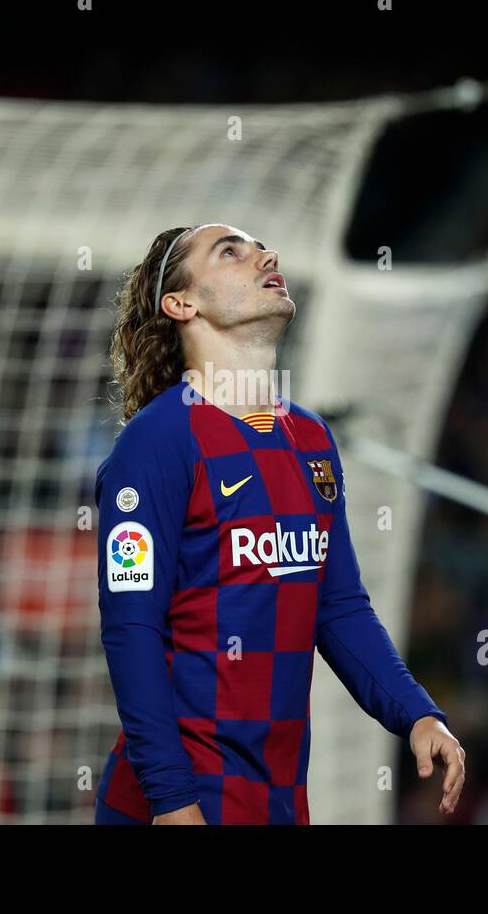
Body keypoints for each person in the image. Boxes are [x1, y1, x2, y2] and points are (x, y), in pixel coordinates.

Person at [93, 223, 464, 824]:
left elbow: (338, 604)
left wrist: (415, 712)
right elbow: (131, 630)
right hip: (179, 797)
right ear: (181, 303)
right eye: (230, 251)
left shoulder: (312, 440)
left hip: (279, 798)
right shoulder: (156, 444)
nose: (265, 255)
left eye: (260, 246)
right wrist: (170, 798)